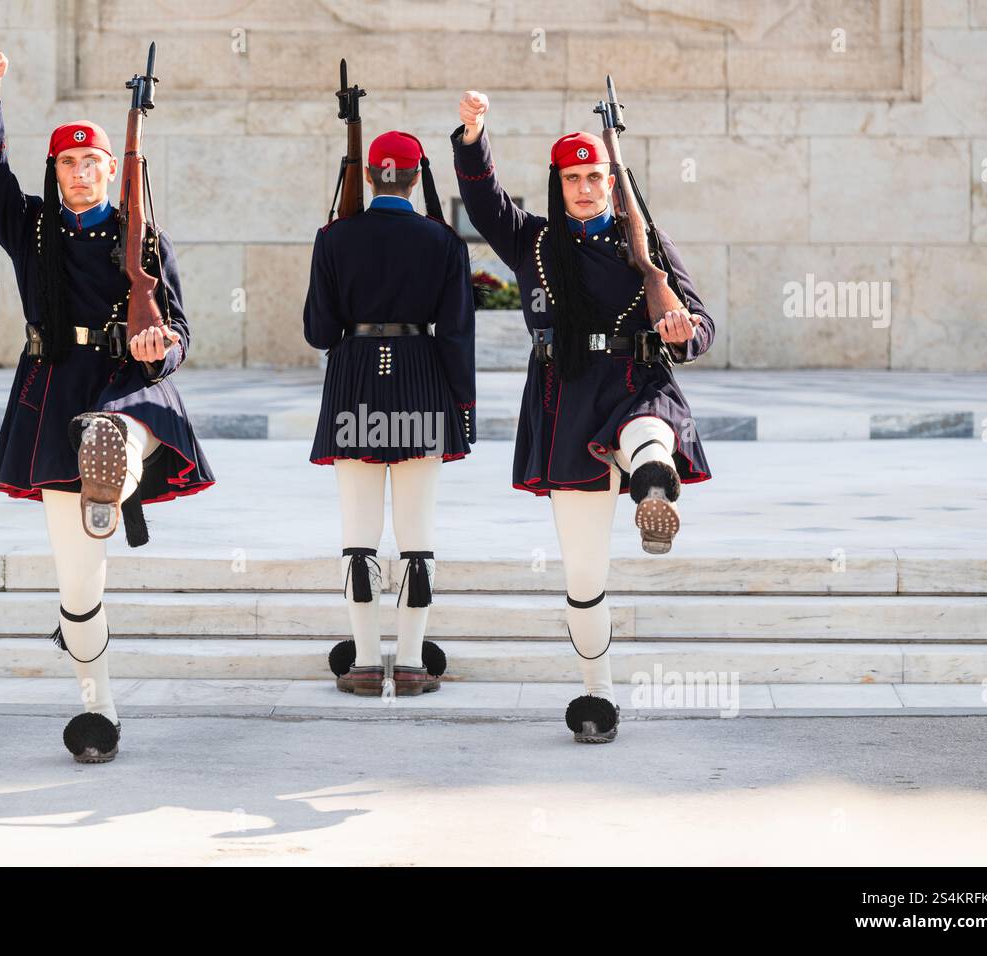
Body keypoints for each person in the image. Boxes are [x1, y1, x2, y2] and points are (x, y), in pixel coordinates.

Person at [0, 50, 215, 762]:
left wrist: (156, 345)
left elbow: (181, 334)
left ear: (112, 169)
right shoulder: (32, 229)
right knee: (79, 587)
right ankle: (97, 708)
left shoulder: (146, 240)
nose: (79, 173)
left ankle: (118, 466)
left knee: (118, 427)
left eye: (92, 162)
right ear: (57, 172)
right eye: (67, 163)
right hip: (54, 390)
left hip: (127, 385)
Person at [451, 91, 715, 743]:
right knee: (583, 575)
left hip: (635, 380)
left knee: (647, 432)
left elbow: (702, 329)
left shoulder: (644, 243)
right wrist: (473, 133)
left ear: (611, 180)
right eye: (573, 178)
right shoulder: (534, 245)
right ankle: (597, 695)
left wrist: (680, 329)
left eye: (596, 175)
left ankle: (654, 483)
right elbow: (483, 200)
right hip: (565, 399)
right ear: (558, 184)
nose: (586, 187)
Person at [304, 131, 476, 697]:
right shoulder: (444, 241)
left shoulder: (334, 237)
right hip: (421, 381)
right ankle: (408, 664)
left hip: (355, 377)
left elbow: (319, 332)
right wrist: (463, 405)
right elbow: (455, 335)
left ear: (372, 175)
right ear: (415, 177)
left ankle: (359, 661)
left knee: (359, 533)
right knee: (416, 534)